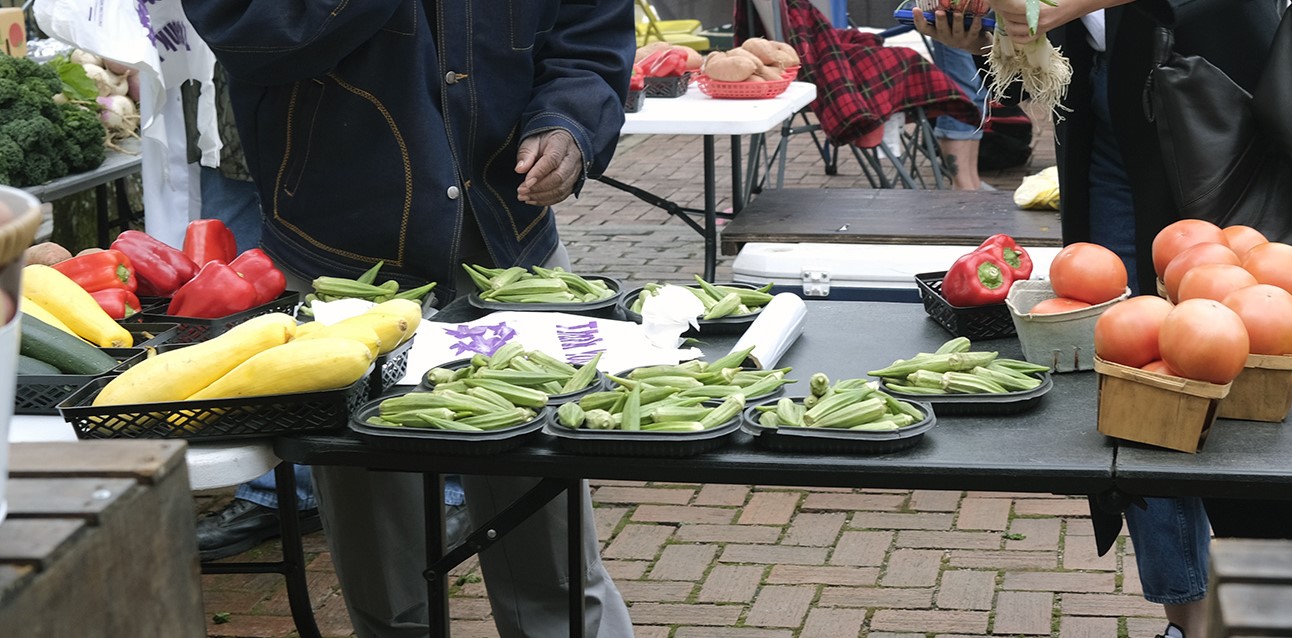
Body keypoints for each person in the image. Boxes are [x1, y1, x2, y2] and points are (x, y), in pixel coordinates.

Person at [181, 1, 637, 635]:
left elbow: (590, 33)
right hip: (342, 257)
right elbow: (250, 30)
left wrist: (572, 124)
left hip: (509, 245)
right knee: (386, 570)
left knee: (553, 557)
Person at [916, 1, 1286, 636]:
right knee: (1129, 367)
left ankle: (1264, 606)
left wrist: (1048, 6)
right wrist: (975, 20)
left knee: (1242, 368)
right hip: (1108, 107)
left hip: (1216, 99)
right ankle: (1188, 617)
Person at [927, 40, 991, 191]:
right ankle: (962, 184)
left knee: (979, 90)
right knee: (962, 92)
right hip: (953, 20)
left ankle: (972, 180)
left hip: (984, 19)